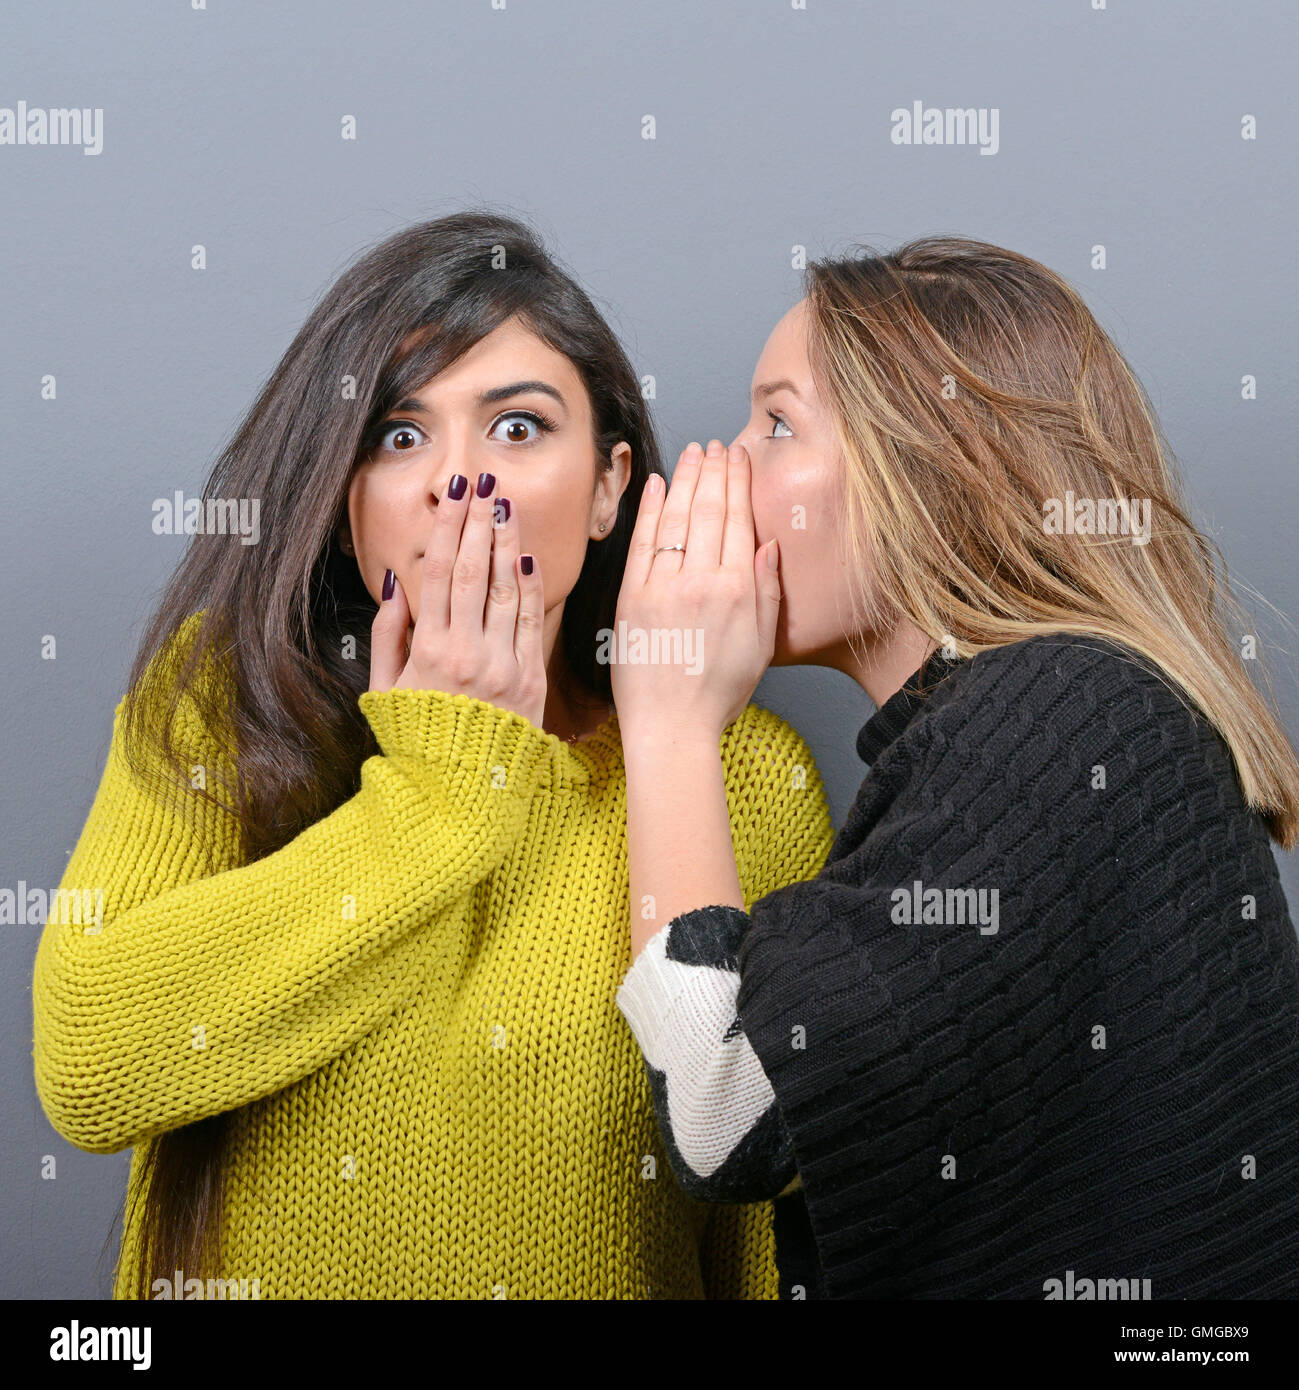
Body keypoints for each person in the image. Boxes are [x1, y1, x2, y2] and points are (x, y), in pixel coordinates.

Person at [31, 211, 834, 1299]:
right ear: (346, 499)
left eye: (516, 428)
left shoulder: (742, 774)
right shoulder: (227, 700)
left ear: (608, 488)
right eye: (401, 437)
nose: (462, 483)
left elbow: (759, 1215)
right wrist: (443, 782)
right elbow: (89, 1065)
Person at [613, 236, 1299, 1299]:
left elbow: (723, 1112)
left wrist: (664, 722)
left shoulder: (1059, 726)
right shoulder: (1058, 721)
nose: (723, 465)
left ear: (928, 472)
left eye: (779, 423)